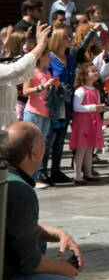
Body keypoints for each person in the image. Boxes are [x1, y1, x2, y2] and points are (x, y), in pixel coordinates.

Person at [0, 121, 87, 280]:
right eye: (43, 144)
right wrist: (63, 269)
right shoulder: (21, 191)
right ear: (34, 152)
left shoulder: (7, 180)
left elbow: (15, 223)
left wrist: (57, 233)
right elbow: (30, 262)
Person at [0, 22, 48, 133]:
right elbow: (18, 70)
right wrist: (41, 45)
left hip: (7, 127)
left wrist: (30, 47)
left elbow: (22, 74)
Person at [21, 46, 56, 187]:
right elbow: (26, 91)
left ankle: (35, 178)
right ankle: (29, 178)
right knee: (31, 147)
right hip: (34, 112)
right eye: (48, 56)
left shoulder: (47, 72)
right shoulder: (32, 72)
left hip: (46, 112)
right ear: (41, 57)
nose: (50, 59)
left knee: (41, 147)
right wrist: (42, 86)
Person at [45, 26, 75, 186]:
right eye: (66, 37)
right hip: (54, 102)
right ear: (58, 40)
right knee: (51, 137)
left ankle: (56, 169)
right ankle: (44, 170)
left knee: (61, 136)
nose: (69, 40)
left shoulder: (69, 58)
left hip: (67, 100)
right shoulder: (49, 58)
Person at [69, 62, 105, 184]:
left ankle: (88, 173)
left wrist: (99, 108)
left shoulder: (96, 90)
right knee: (81, 149)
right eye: (92, 71)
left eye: (96, 71)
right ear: (84, 75)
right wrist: (94, 107)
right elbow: (76, 107)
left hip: (92, 122)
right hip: (82, 123)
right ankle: (77, 175)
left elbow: (96, 106)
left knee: (90, 148)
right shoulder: (80, 90)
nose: (95, 73)